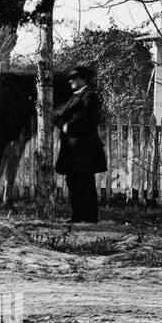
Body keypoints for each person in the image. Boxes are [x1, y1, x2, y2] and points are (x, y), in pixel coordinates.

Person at [53, 64, 106, 224]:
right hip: (71, 148)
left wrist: (68, 126)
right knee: (73, 183)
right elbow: (61, 117)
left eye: (74, 78)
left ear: (83, 79)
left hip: (85, 149)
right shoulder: (74, 97)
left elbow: (89, 122)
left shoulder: (90, 97)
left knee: (85, 183)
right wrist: (61, 122)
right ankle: (77, 216)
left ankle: (89, 218)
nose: (71, 81)